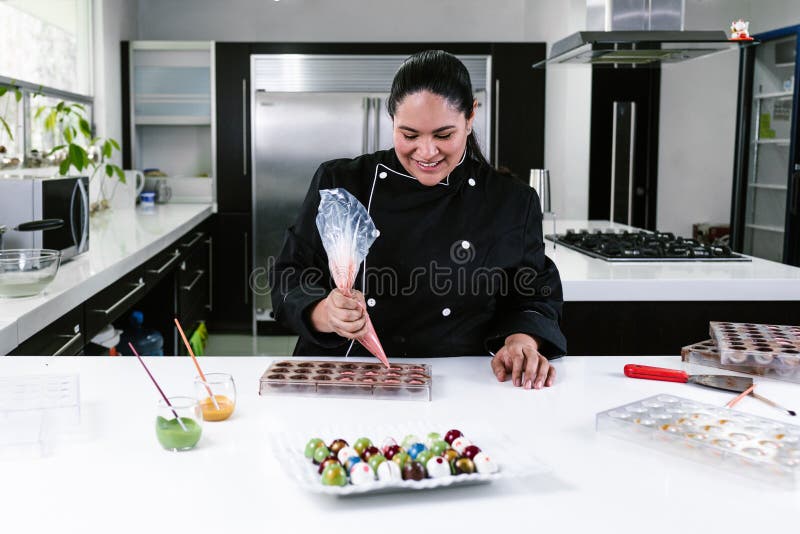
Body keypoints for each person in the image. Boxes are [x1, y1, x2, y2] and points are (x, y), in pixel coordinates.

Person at [270, 50, 566, 390]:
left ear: (471, 117)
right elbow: (289, 275)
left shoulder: (511, 201)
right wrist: (325, 313)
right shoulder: (342, 182)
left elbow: (532, 293)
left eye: (443, 135)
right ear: (392, 120)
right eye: (409, 135)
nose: (426, 152)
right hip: (349, 375)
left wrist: (522, 340)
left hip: (462, 383)